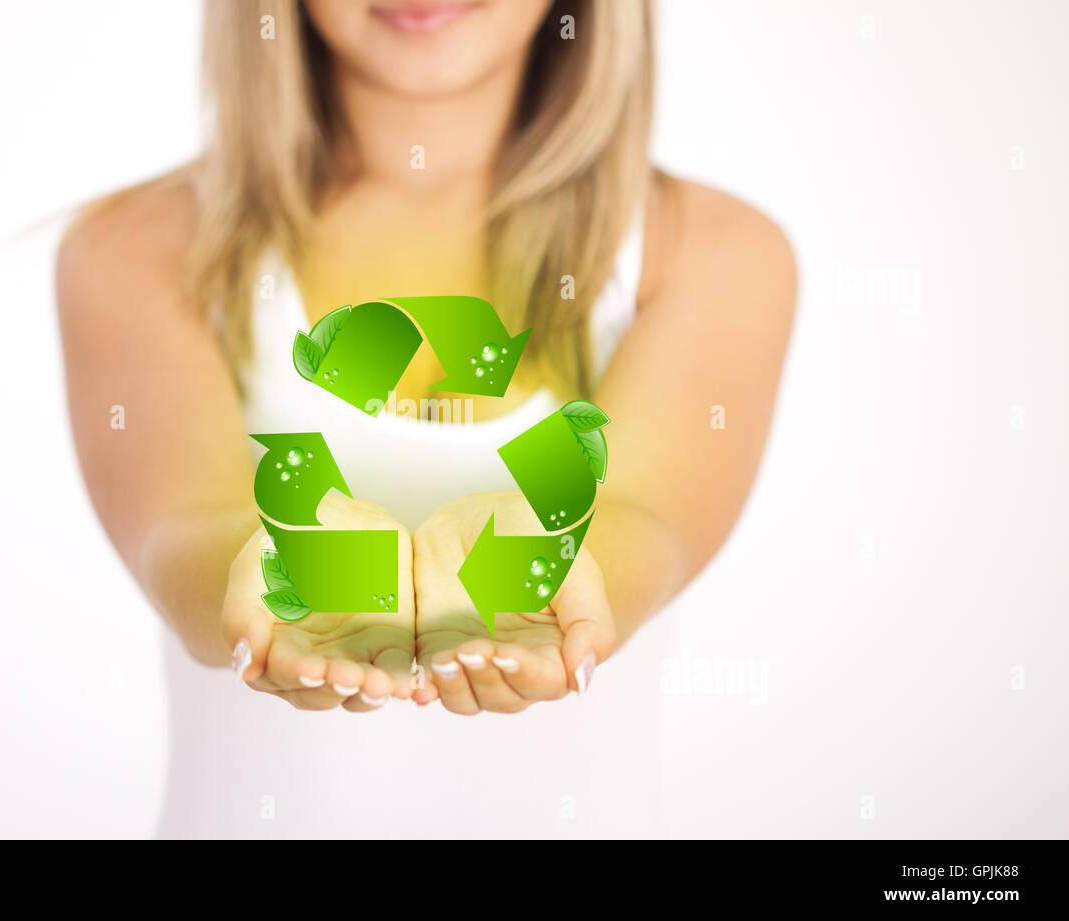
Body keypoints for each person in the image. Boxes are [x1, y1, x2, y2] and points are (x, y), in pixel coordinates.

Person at [57, 0, 795, 837]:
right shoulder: (136, 247)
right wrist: (270, 569)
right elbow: (183, 521)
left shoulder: (708, 252)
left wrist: (544, 565)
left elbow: (643, 516)